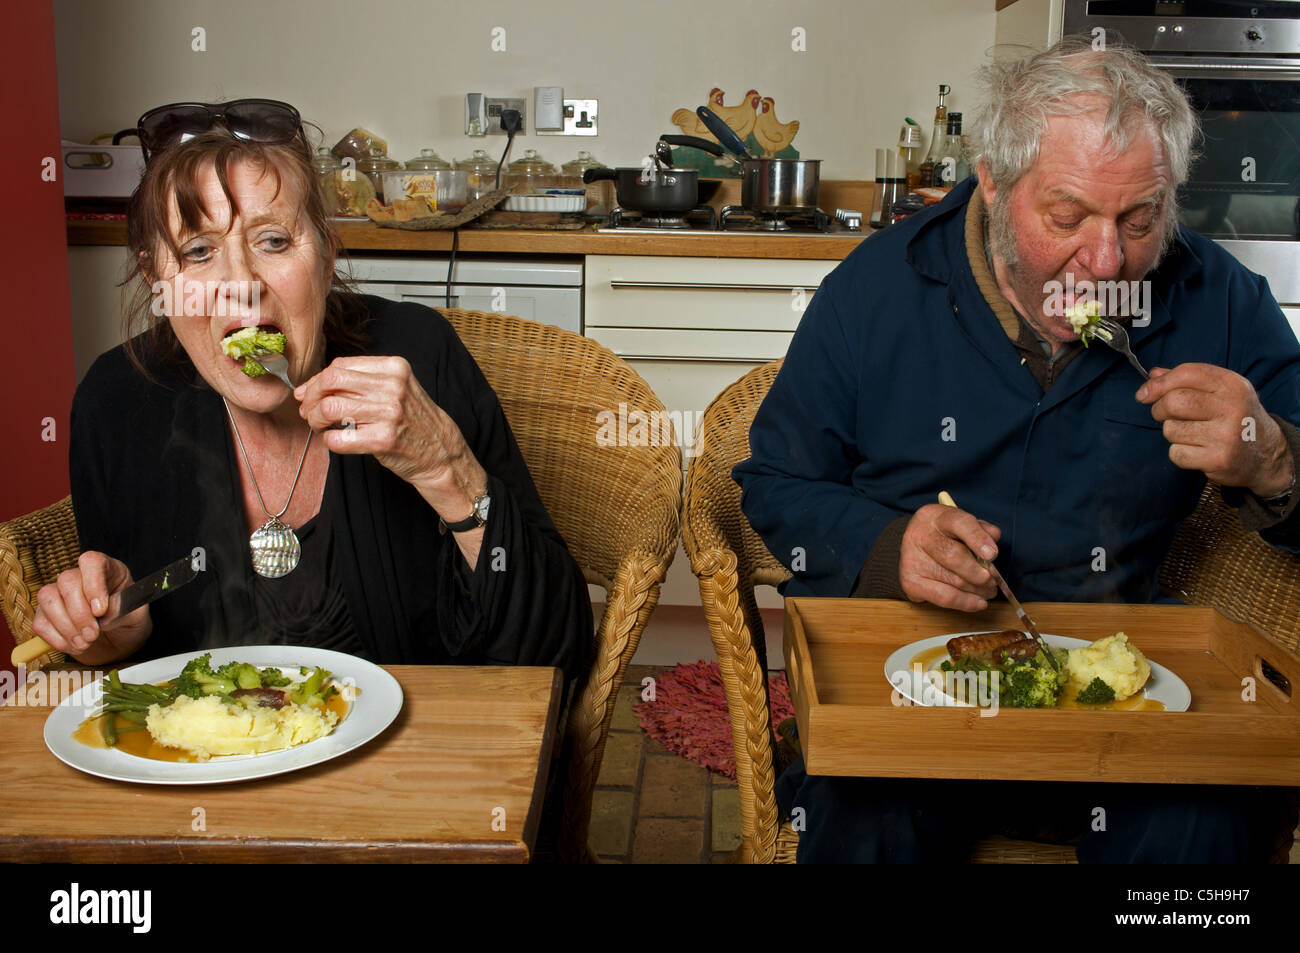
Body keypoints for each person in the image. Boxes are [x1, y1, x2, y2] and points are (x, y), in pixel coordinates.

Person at [734, 40, 1300, 862]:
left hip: (1125, 701)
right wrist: (888, 547)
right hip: (916, 690)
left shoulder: (1218, 296)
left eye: (1139, 220)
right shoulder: (874, 292)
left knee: (1214, 833)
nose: (1106, 264)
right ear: (995, 185)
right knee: (858, 822)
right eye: (1067, 218)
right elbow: (773, 483)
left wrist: (1272, 457)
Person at [33, 99, 593, 681]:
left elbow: (559, 648)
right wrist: (116, 636)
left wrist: (447, 470)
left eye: (273, 241)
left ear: (325, 257)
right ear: (157, 280)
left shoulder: (417, 354)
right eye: (199, 252)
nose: (241, 287)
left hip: (417, 760)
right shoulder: (118, 402)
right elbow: (134, 659)